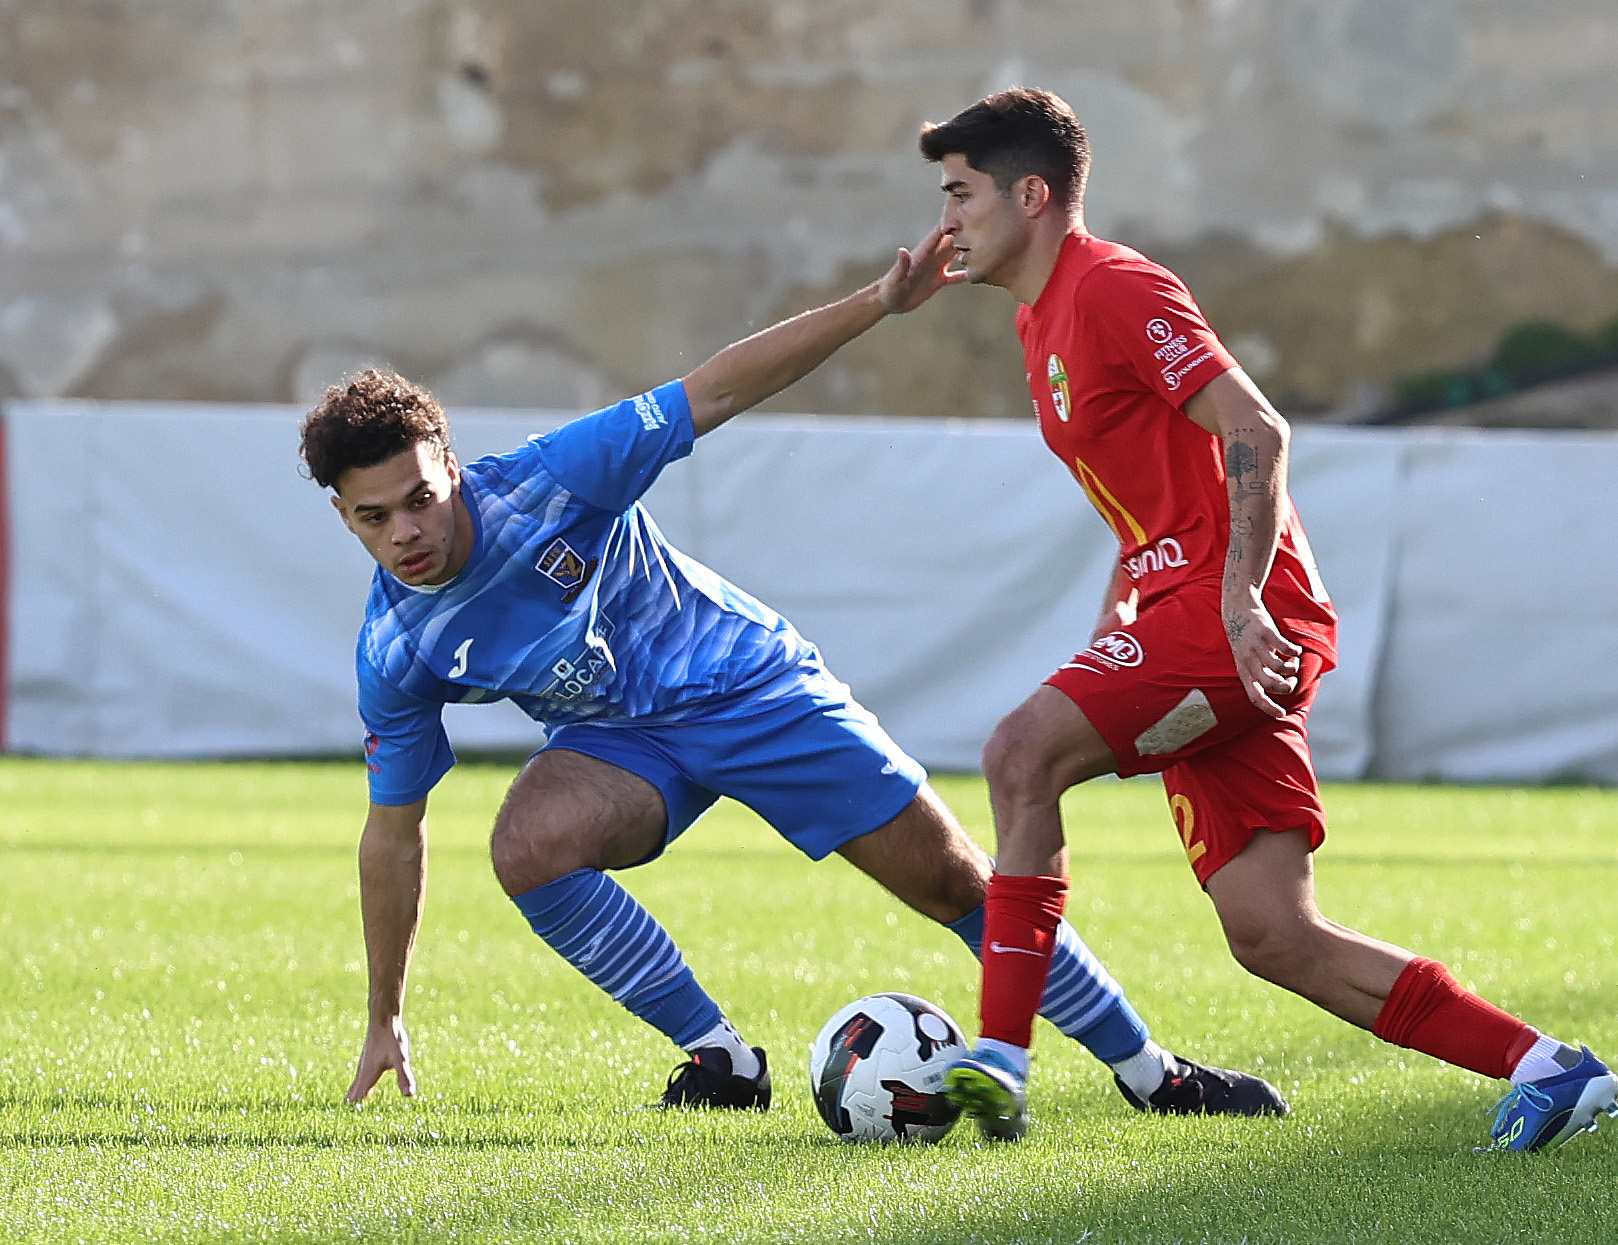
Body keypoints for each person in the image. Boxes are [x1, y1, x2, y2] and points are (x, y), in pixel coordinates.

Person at [301, 225, 1284, 1118]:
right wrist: (385, 1014)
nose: (407, 533)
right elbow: (393, 836)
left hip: (751, 688)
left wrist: (873, 303)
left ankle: (1154, 1075)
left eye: (420, 500)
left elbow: (718, 388)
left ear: (454, 472)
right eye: (373, 518)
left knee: (949, 883)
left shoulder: (555, 480)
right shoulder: (398, 650)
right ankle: (721, 1060)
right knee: (527, 847)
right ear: (343, 517)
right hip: (618, 743)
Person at [916, 88, 1618, 1150]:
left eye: (960, 194)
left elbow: (1256, 424)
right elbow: (1152, 502)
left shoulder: (1111, 286)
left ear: (1032, 194)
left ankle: (1001, 1061)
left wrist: (1236, 596)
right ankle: (1551, 1069)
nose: (947, 221)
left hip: (1233, 609)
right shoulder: (1036, 320)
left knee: (1019, 755)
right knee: (1272, 936)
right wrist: (1131, 611)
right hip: (1191, 607)